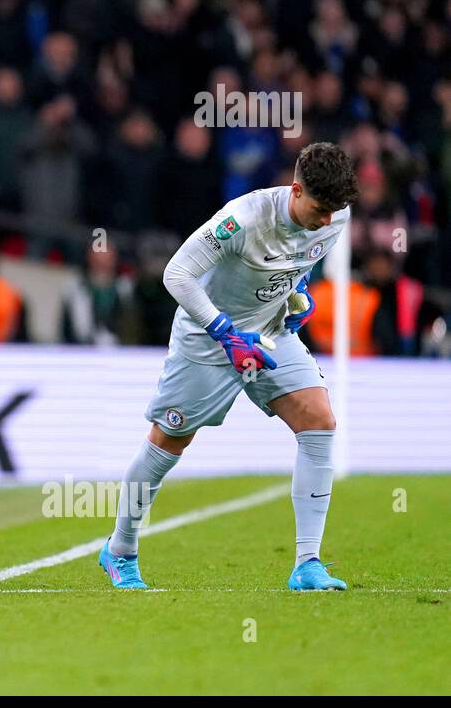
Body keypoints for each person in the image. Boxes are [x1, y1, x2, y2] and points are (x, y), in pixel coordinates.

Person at [101, 142, 359, 592]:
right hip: (207, 339)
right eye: (319, 209)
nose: (326, 220)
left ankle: (308, 564)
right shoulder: (243, 218)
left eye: (333, 211)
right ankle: (119, 550)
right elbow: (176, 275)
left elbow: (298, 264)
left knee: (319, 420)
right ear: (295, 189)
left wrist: (297, 296)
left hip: (269, 333)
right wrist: (224, 331)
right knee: (168, 442)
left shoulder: (335, 216)